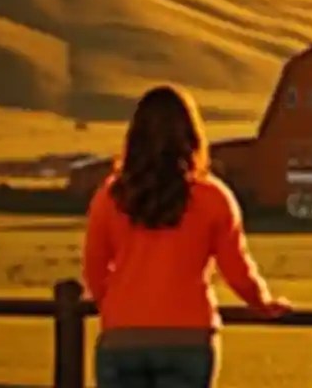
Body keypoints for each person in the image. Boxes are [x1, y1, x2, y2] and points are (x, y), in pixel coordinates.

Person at [83, 85, 291, 388]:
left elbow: (94, 268)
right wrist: (262, 302)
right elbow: (236, 268)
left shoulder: (110, 197)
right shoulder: (213, 197)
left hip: (121, 337)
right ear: (192, 136)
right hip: (188, 336)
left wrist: (119, 309)